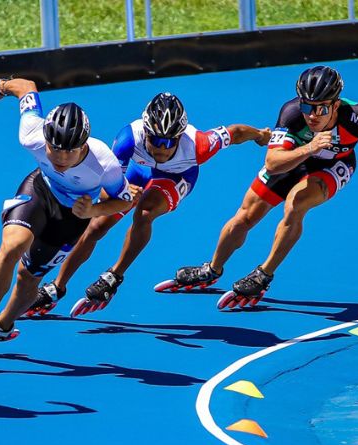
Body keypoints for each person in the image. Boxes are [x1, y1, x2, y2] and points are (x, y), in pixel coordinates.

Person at [163, 65, 358, 309]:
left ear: (336, 105)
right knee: (245, 216)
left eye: (321, 108)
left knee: (295, 204)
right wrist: (311, 146)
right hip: (293, 158)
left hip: (333, 166)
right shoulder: (292, 113)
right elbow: (273, 164)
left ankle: (264, 274)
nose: (313, 115)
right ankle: (212, 269)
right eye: (308, 106)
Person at [0, 77, 138, 375]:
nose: (60, 157)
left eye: (70, 151)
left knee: (27, 279)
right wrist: (2, 86)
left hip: (72, 216)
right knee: (13, 245)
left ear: (84, 145)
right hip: (39, 190)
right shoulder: (31, 133)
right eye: (54, 148)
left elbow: (124, 201)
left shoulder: (104, 163)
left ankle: (1, 327)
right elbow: (27, 86)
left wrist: (94, 209)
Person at [24, 92, 271, 317]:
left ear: (179, 136)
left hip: (177, 176)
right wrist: (120, 193)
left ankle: (114, 276)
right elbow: (107, 190)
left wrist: (260, 135)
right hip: (138, 172)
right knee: (96, 226)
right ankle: (56, 287)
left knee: (144, 212)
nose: (162, 148)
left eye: (169, 142)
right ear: (146, 131)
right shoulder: (127, 139)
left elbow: (236, 132)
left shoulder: (198, 145)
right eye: (156, 140)